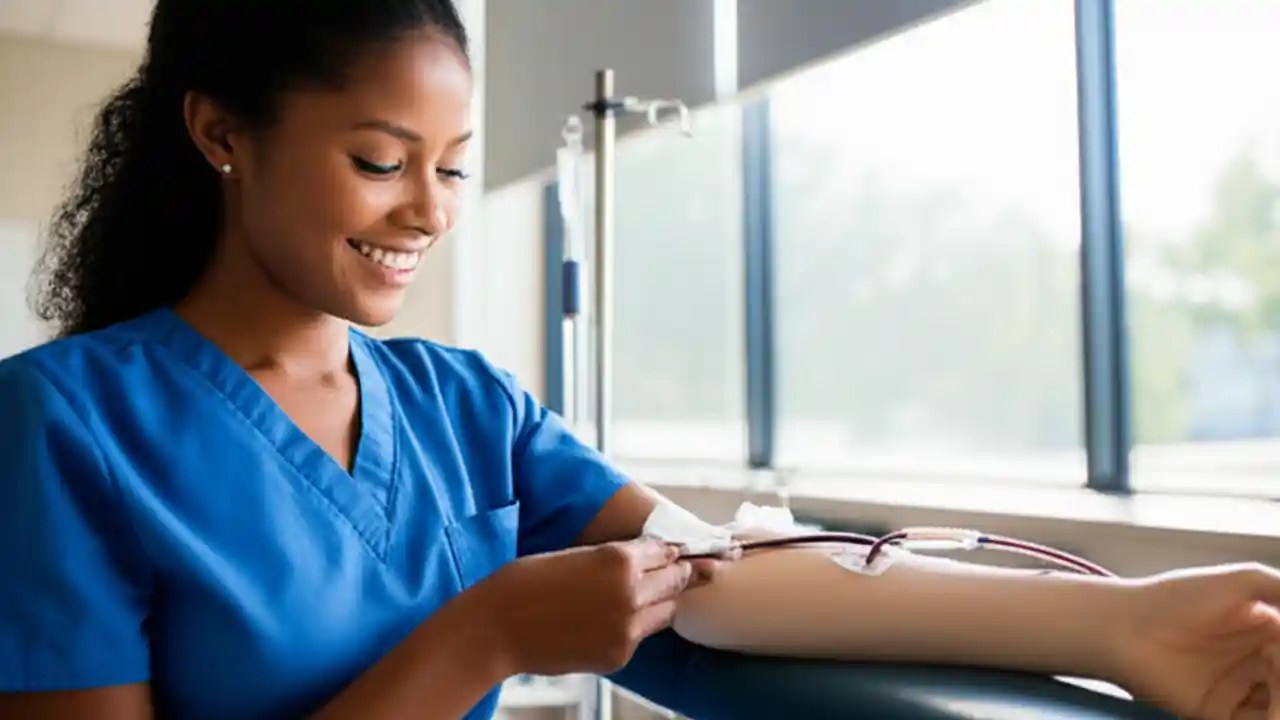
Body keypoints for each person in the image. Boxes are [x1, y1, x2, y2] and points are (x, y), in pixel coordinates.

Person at [1, 1, 1278, 718]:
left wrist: (1121, 623)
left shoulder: (463, 403)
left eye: (450, 169)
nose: (432, 213)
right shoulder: (62, 426)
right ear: (222, 134)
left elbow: (724, 580)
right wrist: (480, 638)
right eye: (382, 162)